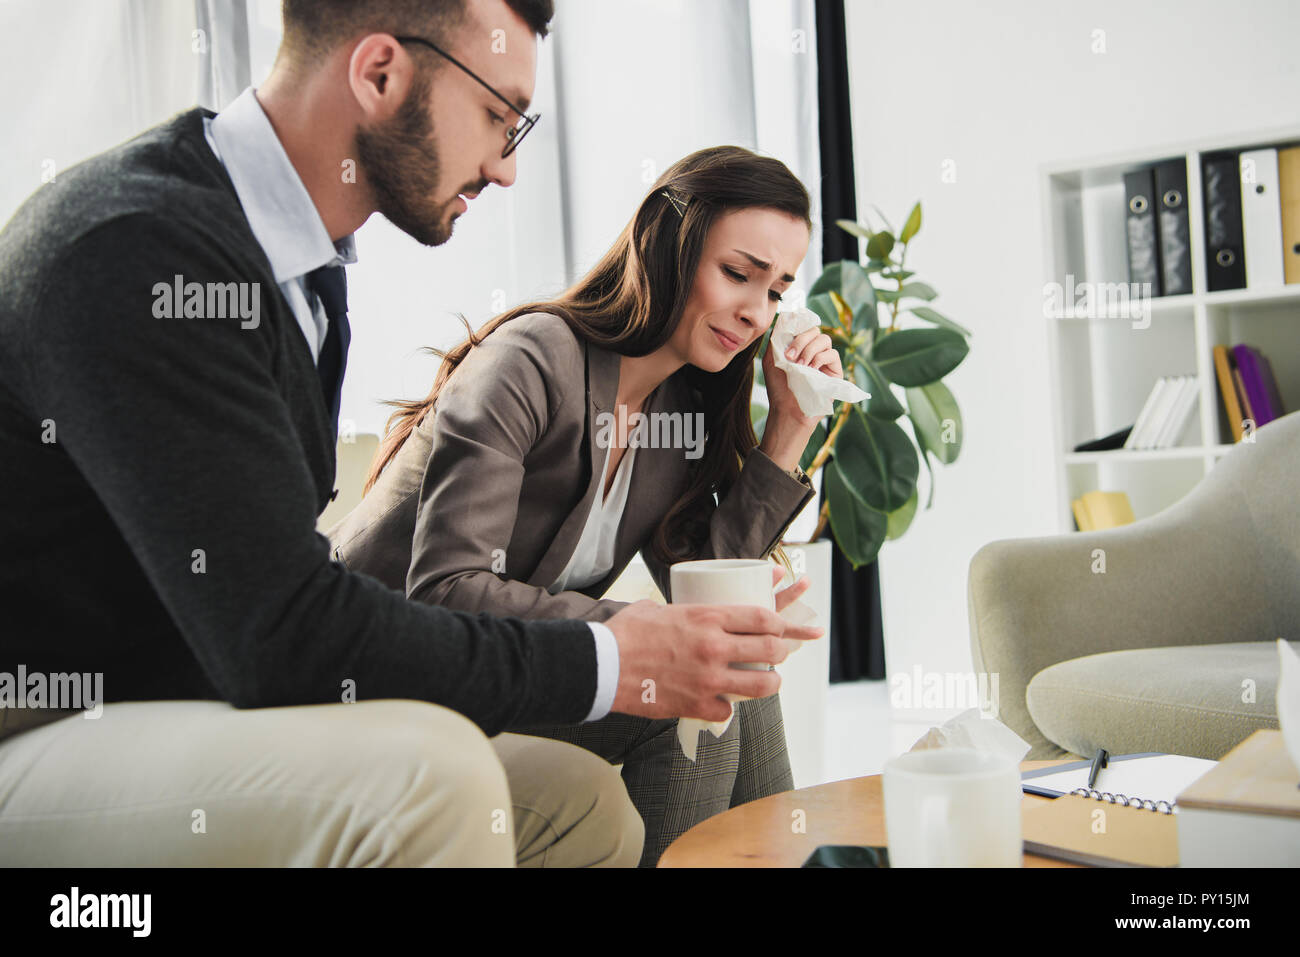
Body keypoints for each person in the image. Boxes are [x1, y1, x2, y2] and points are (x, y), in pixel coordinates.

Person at [0, 0, 820, 867]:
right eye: (498, 115)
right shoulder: (141, 246)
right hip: (52, 715)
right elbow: (280, 635)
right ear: (380, 72)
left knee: (585, 797)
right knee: (441, 779)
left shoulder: (305, 278)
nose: (506, 168)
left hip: (197, 690)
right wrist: (613, 652)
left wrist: (782, 441)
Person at [328, 145, 842, 864]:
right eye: (738, 274)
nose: (758, 313)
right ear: (668, 242)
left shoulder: (676, 411)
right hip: (385, 686)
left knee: (732, 681)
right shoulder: (532, 359)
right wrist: (641, 632)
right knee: (698, 696)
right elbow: (445, 590)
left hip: (498, 679)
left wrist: (788, 430)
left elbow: (700, 587)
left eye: (778, 291)